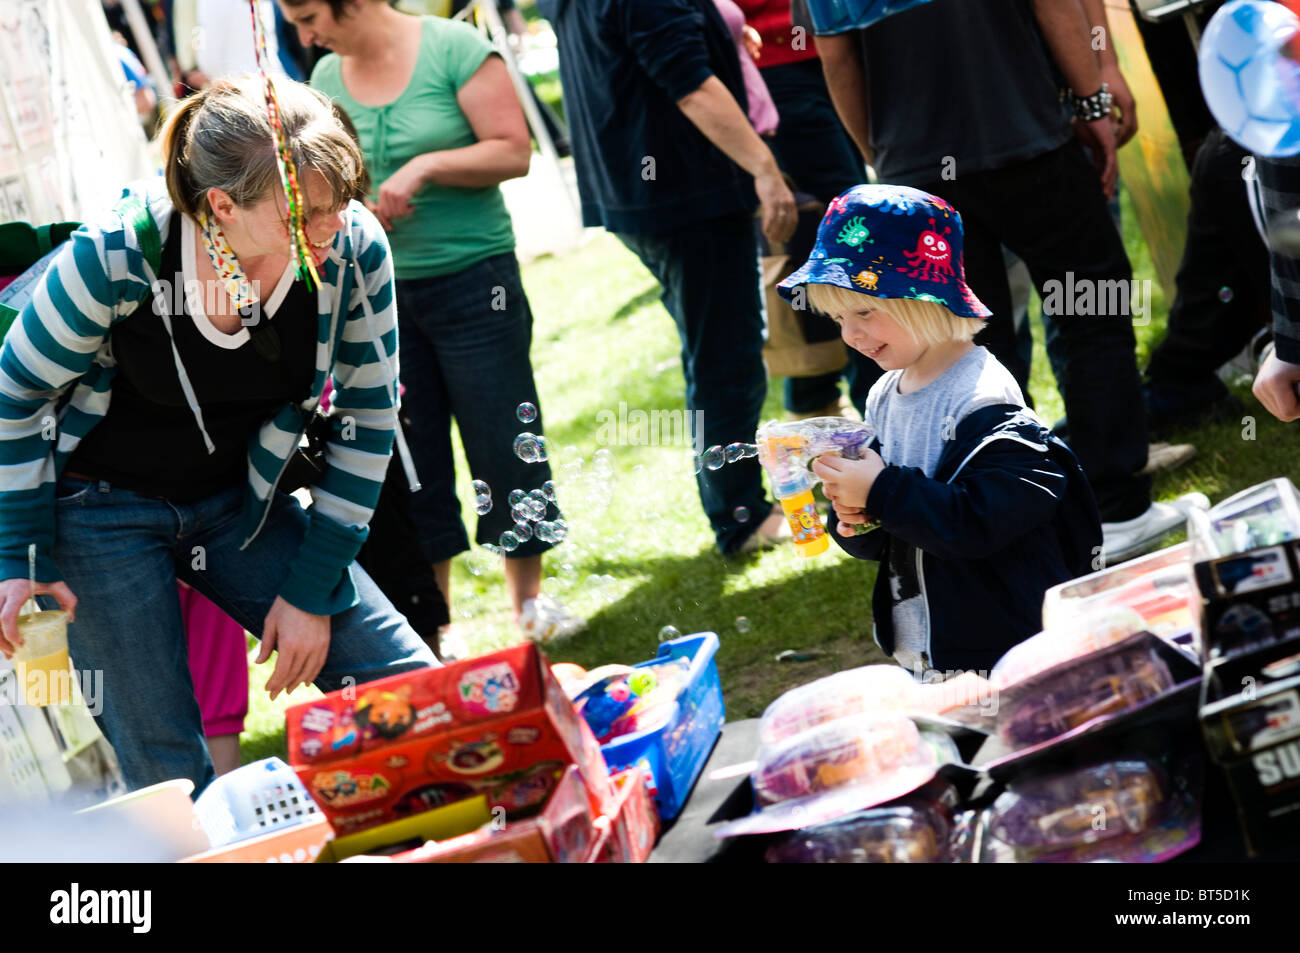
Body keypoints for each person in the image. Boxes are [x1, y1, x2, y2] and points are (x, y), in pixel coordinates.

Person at [0, 77, 438, 795]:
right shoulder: (118, 255)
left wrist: (312, 588)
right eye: (307, 213)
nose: (334, 227)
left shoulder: (354, 248)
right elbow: (14, 391)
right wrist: (17, 558)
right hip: (95, 508)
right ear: (222, 206)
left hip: (242, 502)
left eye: (341, 201)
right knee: (164, 766)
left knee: (409, 685)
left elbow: (367, 419)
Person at [811, 0, 1207, 564]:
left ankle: (990, 508)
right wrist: (1091, 94)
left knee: (960, 343)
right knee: (1088, 312)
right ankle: (1112, 507)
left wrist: (886, 160)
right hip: (1026, 134)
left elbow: (837, 54)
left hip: (920, 161)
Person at [285, 0, 583, 638]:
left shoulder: (456, 48)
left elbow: (514, 150)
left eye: (310, 15)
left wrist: (425, 167)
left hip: (476, 280)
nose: (304, 34)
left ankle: (528, 607)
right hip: (375, 294)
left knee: (502, 437)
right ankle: (431, 622)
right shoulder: (327, 80)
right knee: (409, 458)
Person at [778, 185, 1102, 676]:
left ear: (924, 300)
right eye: (840, 317)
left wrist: (881, 491)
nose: (851, 334)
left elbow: (977, 523)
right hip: (928, 648)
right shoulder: (885, 395)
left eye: (864, 310)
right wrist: (856, 517)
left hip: (1004, 650)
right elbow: (897, 522)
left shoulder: (982, 400)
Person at [538, 0, 798, 556]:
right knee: (724, 356)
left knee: (710, 349)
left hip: (639, 194)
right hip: (683, 196)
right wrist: (766, 170)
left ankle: (733, 503)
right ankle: (740, 515)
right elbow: (690, 85)